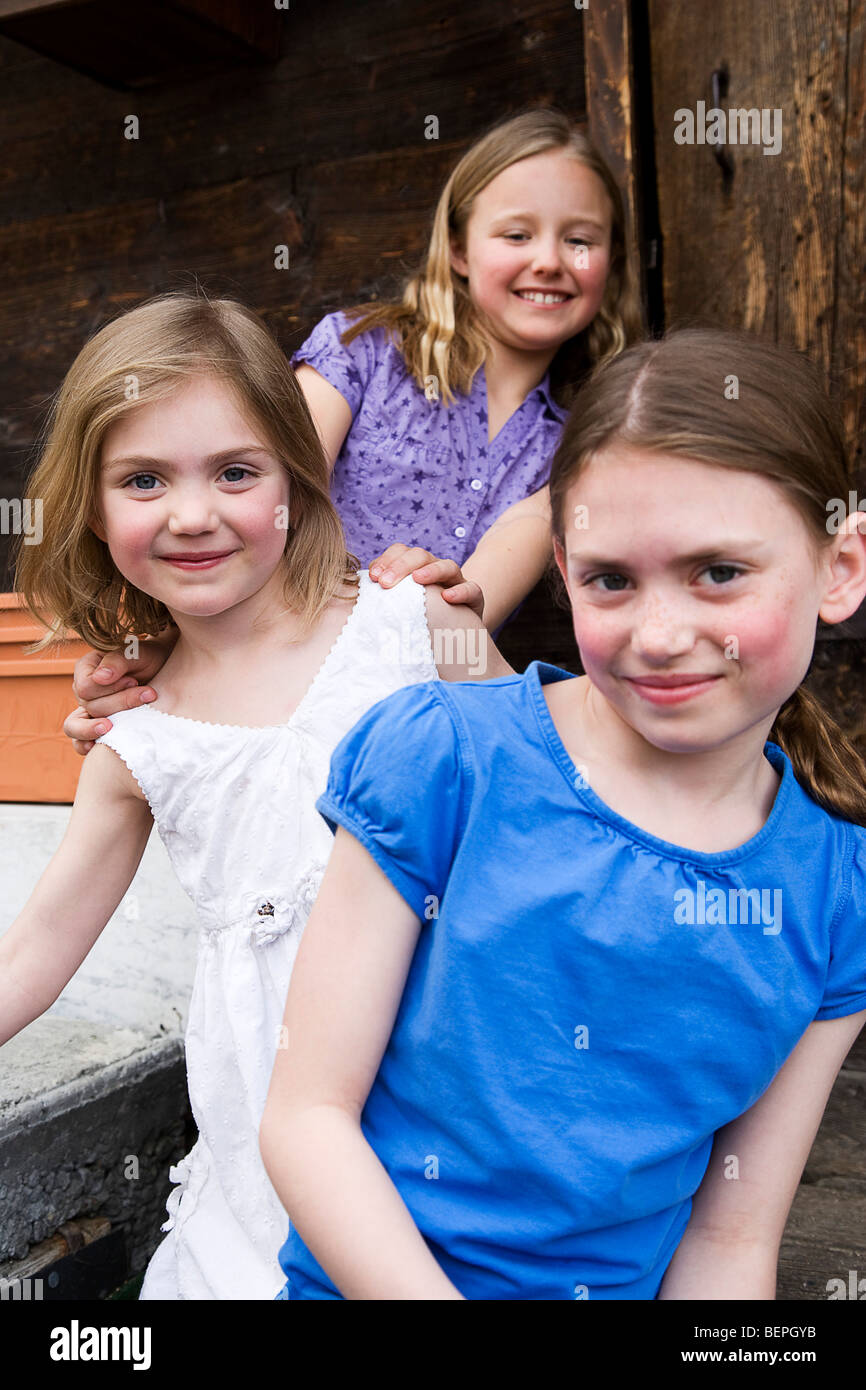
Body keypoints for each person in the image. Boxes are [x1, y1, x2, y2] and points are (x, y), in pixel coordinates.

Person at [258, 327, 866, 1301]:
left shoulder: (838, 893)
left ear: (837, 567)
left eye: (718, 571)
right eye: (609, 579)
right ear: (561, 569)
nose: (660, 635)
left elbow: (730, 1242)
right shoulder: (442, 761)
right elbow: (306, 1117)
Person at [2, 290, 511, 1300]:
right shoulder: (137, 737)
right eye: (142, 479)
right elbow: (37, 947)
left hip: (464, 1100)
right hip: (267, 1150)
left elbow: (566, 802)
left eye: (234, 472)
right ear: (92, 509)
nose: (194, 514)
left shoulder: (417, 631)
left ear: (294, 478)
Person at [61, 106, 642, 753]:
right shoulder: (361, 352)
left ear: (610, 262)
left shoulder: (574, 443)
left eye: (580, 240)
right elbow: (268, 488)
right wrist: (172, 651)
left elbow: (472, 606)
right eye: (516, 235)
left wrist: (436, 605)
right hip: (278, 663)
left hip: (416, 710)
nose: (549, 261)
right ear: (456, 248)